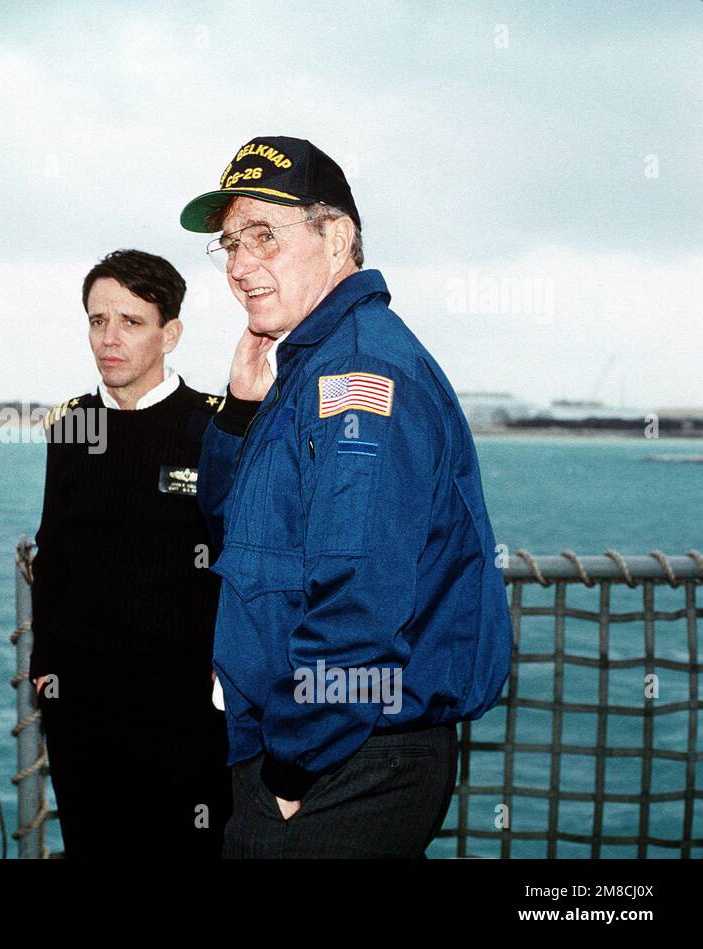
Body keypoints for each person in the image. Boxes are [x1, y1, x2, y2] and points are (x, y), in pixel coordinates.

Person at [180, 136, 513, 858]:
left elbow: (360, 598)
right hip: (315, 744)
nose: (239, 265)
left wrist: (294, 765)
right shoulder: (307, 367)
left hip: (346, 757)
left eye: (264, 235)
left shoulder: (357, 372)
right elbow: (227, 523)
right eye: (231, 244)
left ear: (337, 238)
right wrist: (239, 412)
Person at [30, 249, 230, 858]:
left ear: (170, 332)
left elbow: (235, 561)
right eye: (97, 321)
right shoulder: (72, 426)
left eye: (130, 322)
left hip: (184, 703)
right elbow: (54, 550)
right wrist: (46, 664)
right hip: (83, 701)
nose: (109, 339)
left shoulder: (214, 430)